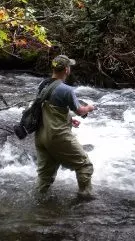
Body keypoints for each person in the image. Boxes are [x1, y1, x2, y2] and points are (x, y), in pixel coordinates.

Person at [34, 54, 95, 198]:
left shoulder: (43, 85)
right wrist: (90, 108)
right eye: (69, 67)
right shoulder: (67, 90)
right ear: (66, 69)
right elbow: (80, 111)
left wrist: (69, 119)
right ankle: (85, 199)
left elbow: (48, 108)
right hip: (57, 136)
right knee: (84, 165)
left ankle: (38, 204)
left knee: (45, 175)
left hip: (41, 135)